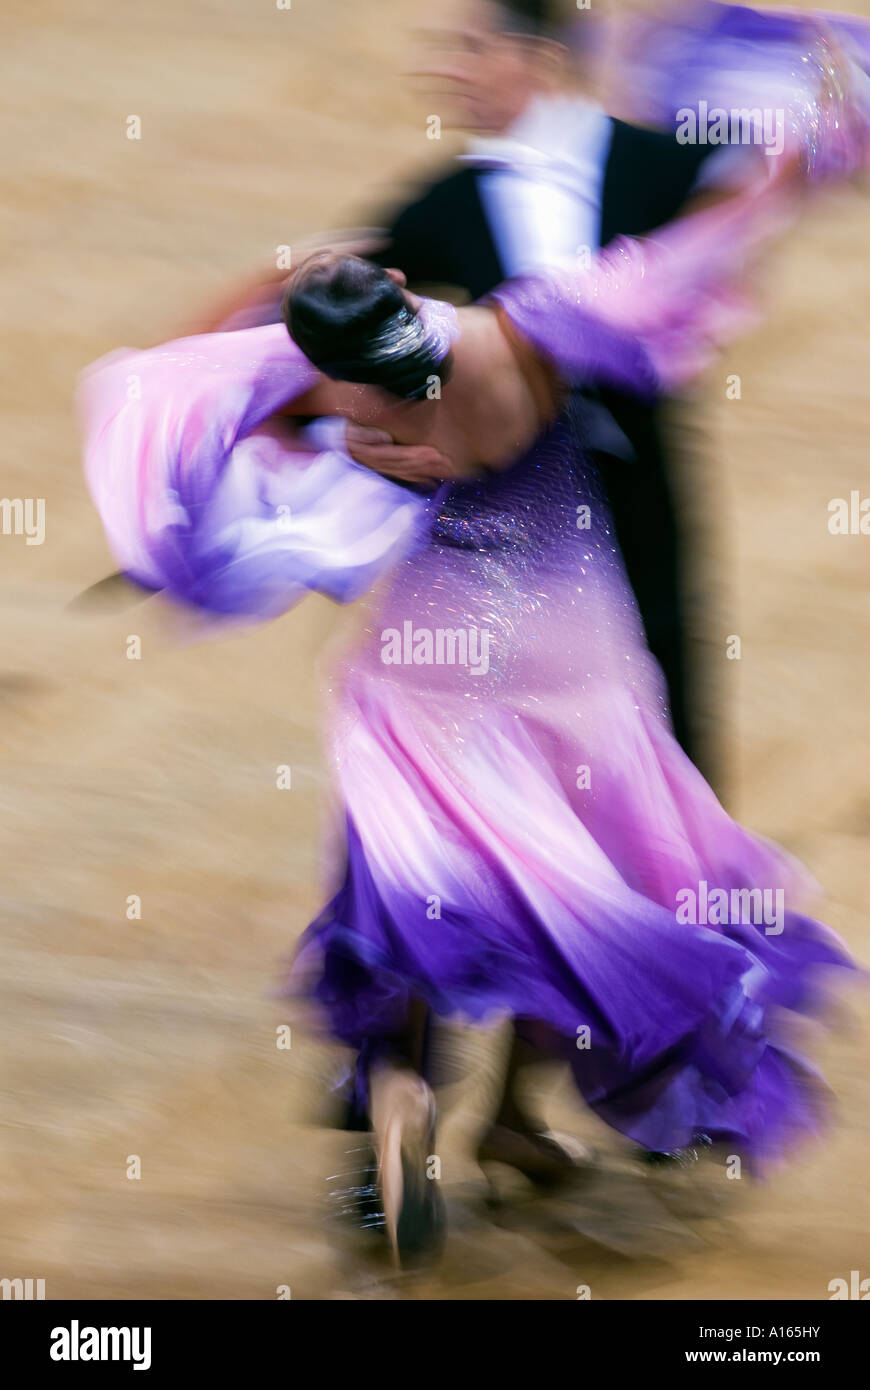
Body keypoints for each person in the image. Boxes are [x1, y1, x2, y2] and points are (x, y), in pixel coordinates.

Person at [80, 159, 859, 1263]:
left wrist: (275, 301)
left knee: (411, 880)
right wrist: (787, 167)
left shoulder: (343, 393)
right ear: (401, 283)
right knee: (580, 877)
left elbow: (175, 374)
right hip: (565, 651)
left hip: (428, 660)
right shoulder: (513, 335)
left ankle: (401, 1107)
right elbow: (681, 266)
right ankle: (511, 1116)